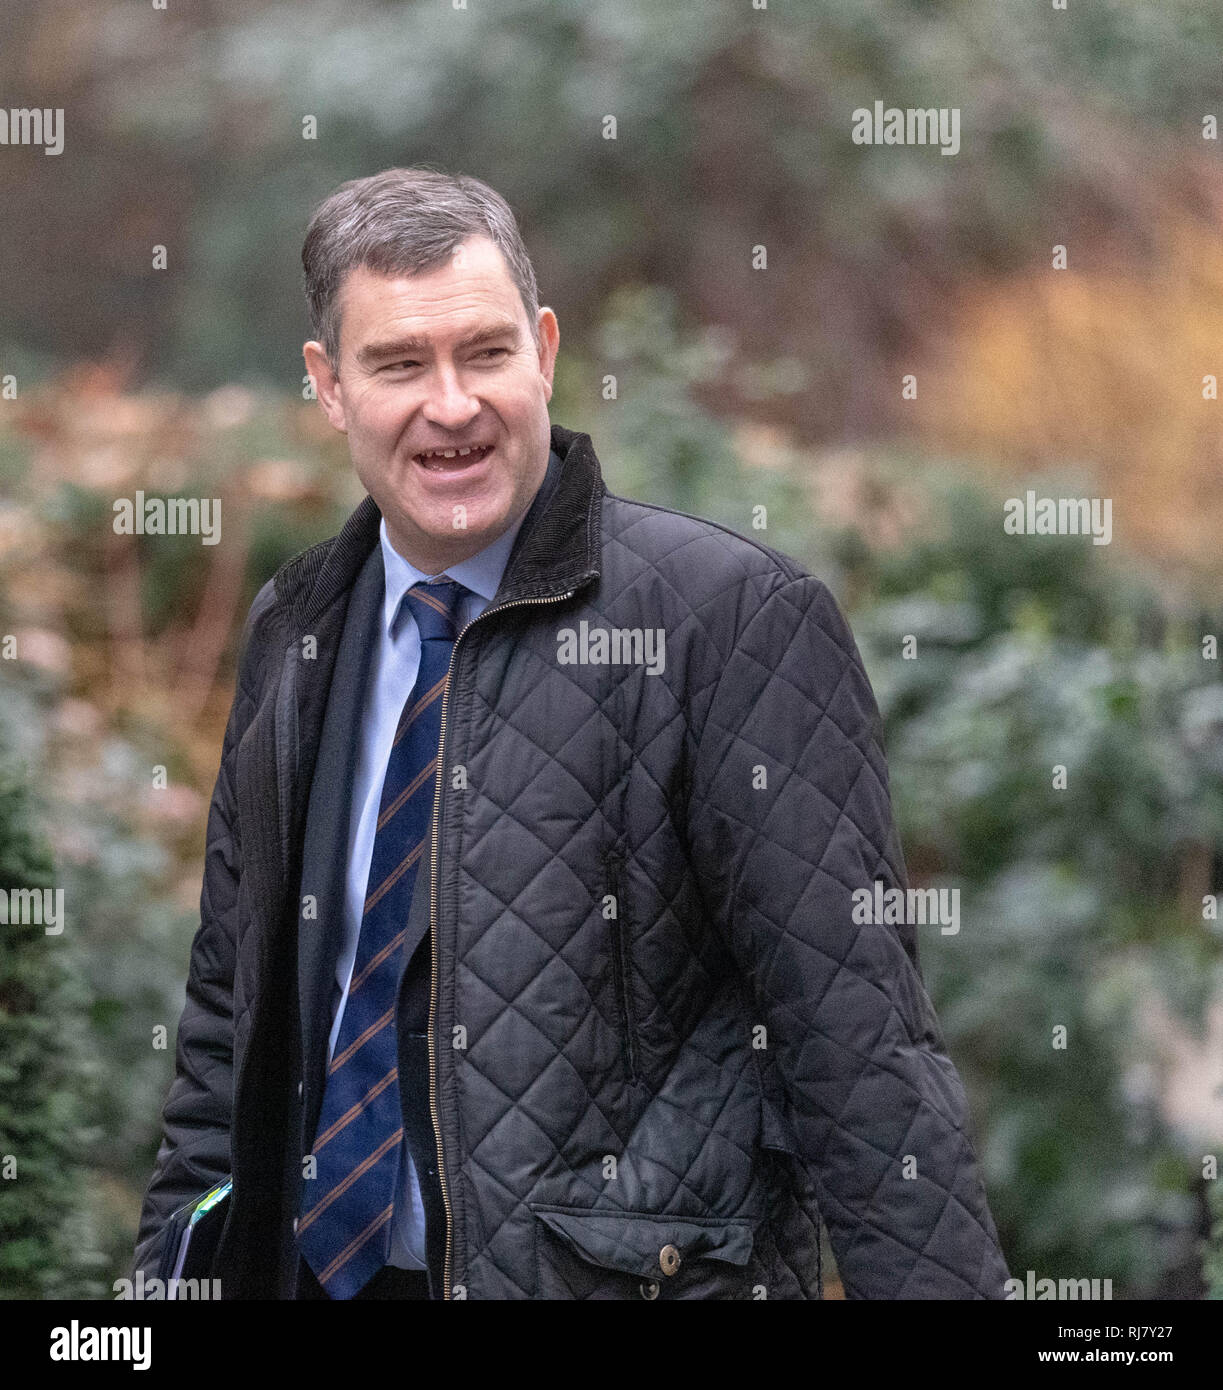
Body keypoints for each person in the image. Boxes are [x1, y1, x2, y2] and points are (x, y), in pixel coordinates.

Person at [131, 166, 1010, 1300]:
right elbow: (225, 1027)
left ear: (543, 350)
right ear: (329, 386)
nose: (451, 405)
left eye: (484, 352)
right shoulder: (294, 630)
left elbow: (860, 1049)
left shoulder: (727, 620)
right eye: (399, 364)